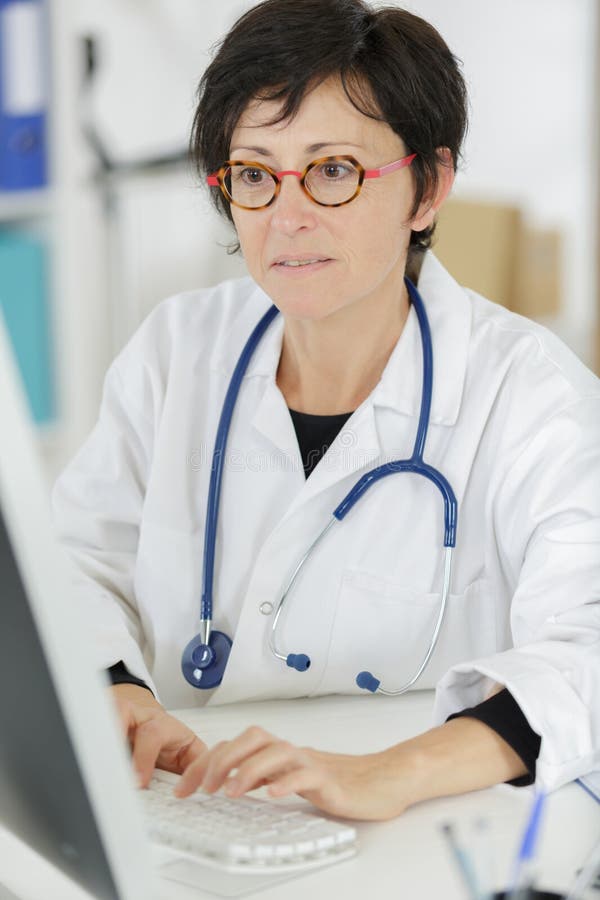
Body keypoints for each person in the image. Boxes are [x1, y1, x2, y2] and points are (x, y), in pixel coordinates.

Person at [52, 0, 600, 821]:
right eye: (254, 173)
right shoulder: (176, 352)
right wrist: (112, 684)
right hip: (193, 812)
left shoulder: (528, 393)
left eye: (334, 169)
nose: (287, 213)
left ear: (428, 187)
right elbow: (72, 565)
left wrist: (385, 773)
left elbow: (589, 646)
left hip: (435, 827)